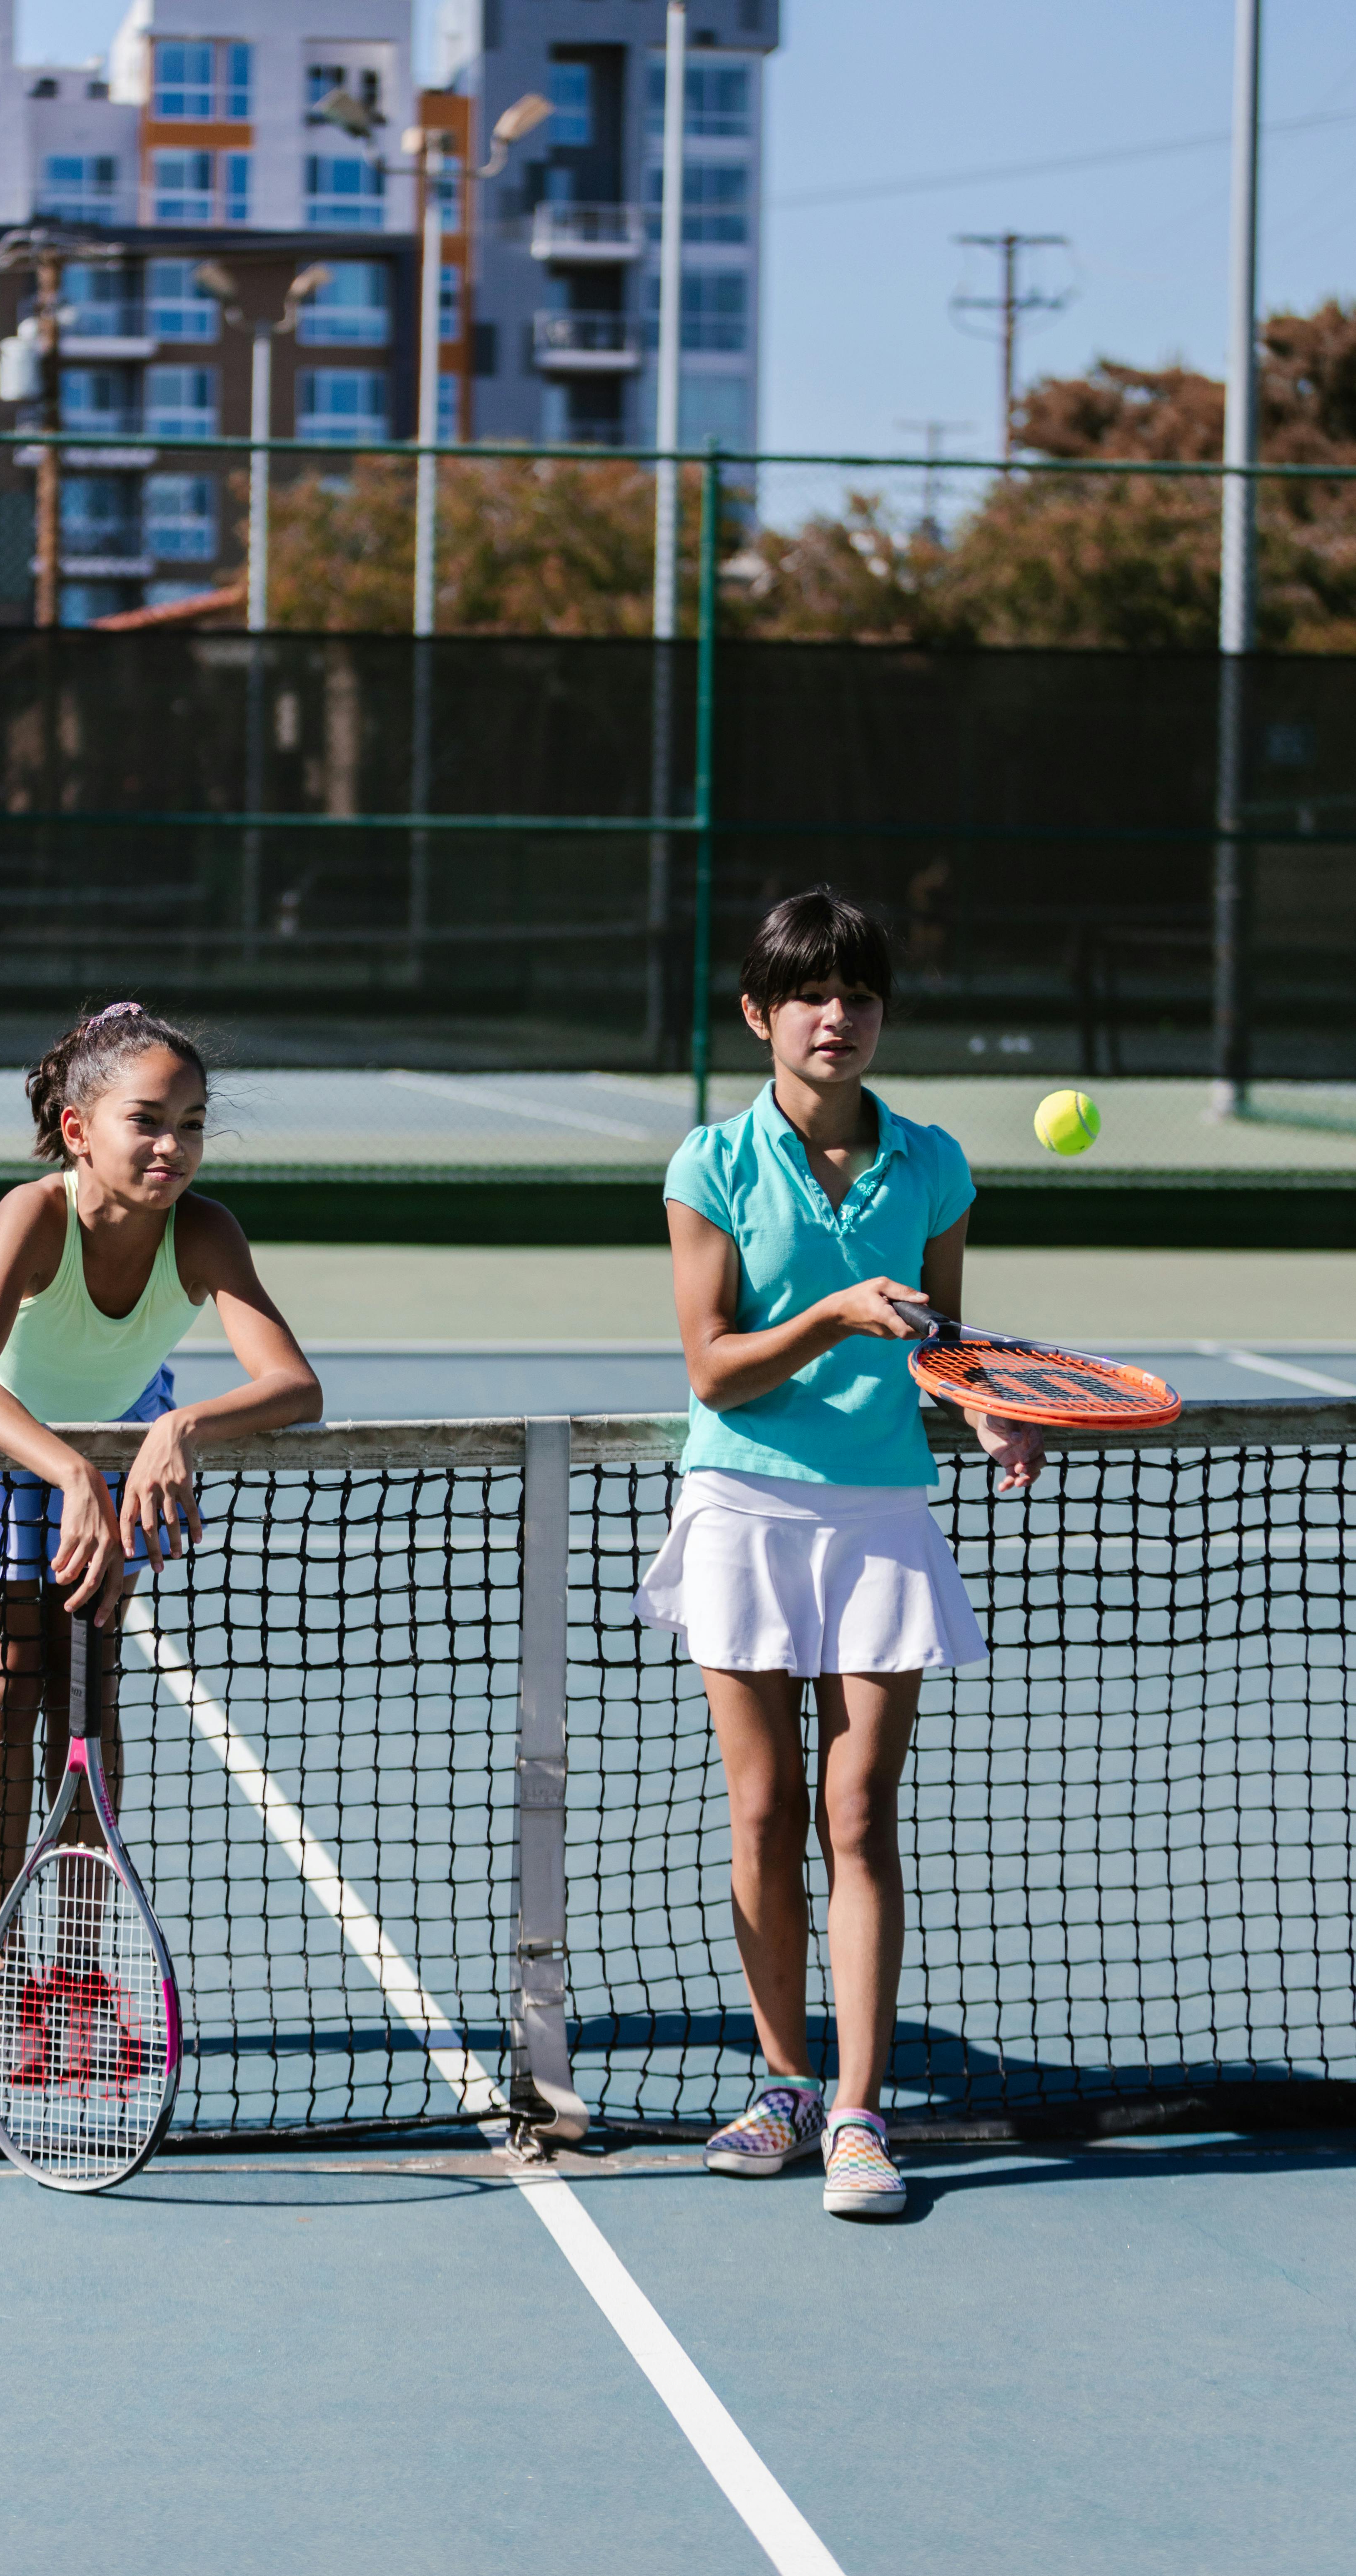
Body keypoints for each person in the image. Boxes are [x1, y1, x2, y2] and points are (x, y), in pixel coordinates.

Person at [634, 889, 1042, 2220]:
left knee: (857, 1813)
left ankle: (859, 2115)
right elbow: (714, 1368)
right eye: (807, 995)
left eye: (857, 995)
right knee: (763, 1811)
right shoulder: (710, 1165)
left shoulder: (930, 1163)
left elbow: (946, 1339)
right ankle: (783, 2081)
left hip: (878, 1517)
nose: (835, 1017)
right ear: (759, 1015)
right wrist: (827, 1313)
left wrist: (990, 1411)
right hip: (744, 1505)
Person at [0, 999, 322, 1960]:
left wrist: (179, 1425)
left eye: (192, 1123)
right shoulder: (34, 1214)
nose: (172, 1145)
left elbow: (295, 1385)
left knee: (88, 1699)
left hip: (116, 1436)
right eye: (148, 1121)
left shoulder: (207, 1232)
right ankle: (0, 1957)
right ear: (79, 1132)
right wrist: (69, 1470)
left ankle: (79, 1960)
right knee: (7, 1680)